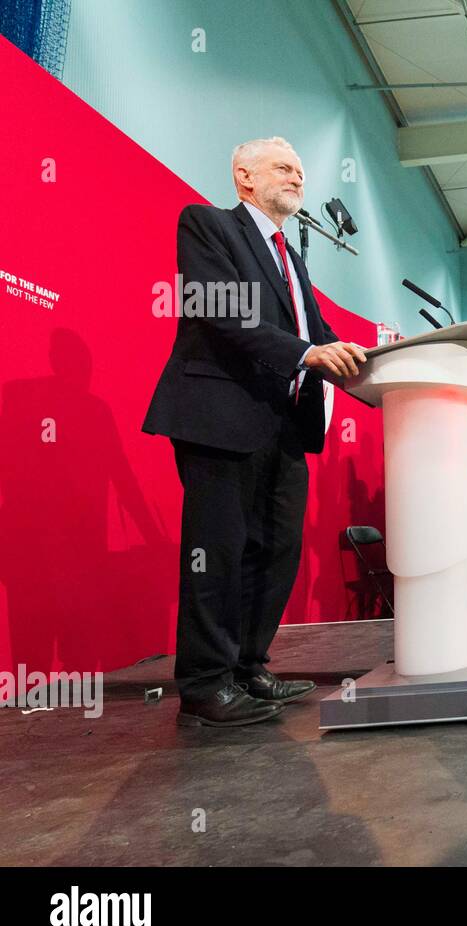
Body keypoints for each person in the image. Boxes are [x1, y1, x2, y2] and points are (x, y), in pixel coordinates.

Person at [142, 136, 368, 727]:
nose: (298, 176)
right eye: (283, 167)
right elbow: (224, 315)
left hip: (282, 424)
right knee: (215, 553)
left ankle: (248, 667)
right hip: (220, 418)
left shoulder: (291, 256)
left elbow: (319, 333)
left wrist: (376, 369)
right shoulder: (207, 225)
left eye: (300, 169)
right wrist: (311, 355)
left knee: (274, 553)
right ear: (244, 177)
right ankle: (205, 683)